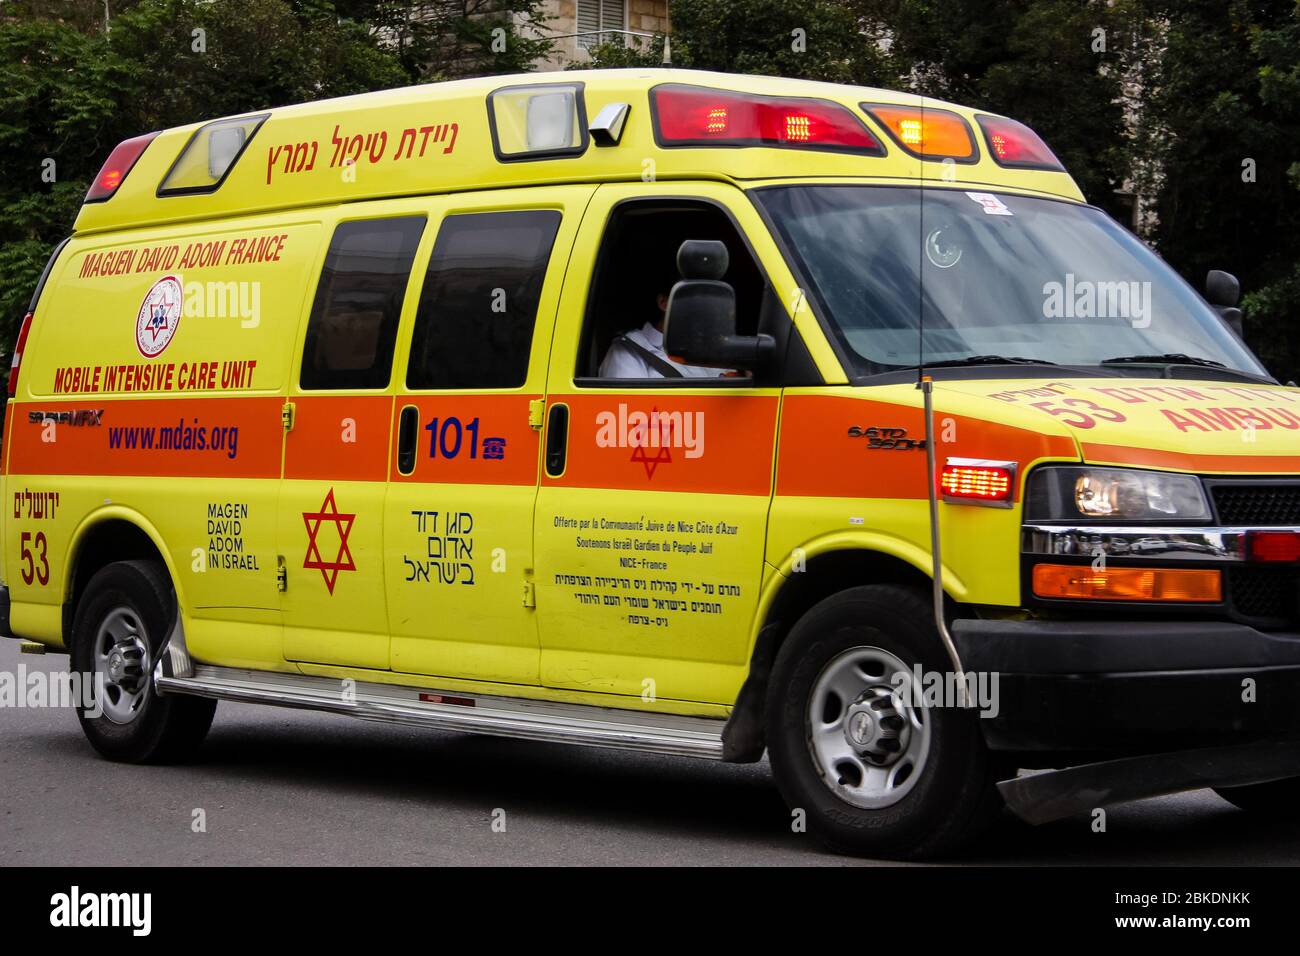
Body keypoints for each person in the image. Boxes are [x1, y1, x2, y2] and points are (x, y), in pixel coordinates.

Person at [599, 287, 729, 378]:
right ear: (664, 303)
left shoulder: (717, 351)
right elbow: (629, 413)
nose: (704, 310)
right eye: (694, 300)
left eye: (710, 302)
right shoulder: (629, 351)